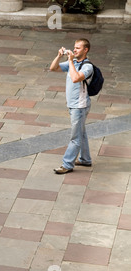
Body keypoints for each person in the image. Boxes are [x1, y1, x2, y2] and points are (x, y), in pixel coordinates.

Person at [49, 38, 94, 174]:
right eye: (74, 47)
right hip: (73, 104)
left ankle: (67, 164)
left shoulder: (87, 67)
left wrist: (70, 61)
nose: (74, 50)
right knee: (81, 132)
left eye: (78, 48)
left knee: (75, 137)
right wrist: (58, 56)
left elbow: (75, 78)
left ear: (85, 50)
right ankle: (85, 159)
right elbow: (53, 68)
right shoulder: (73, 63)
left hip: (79, 106)